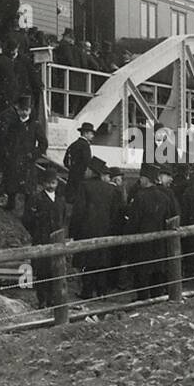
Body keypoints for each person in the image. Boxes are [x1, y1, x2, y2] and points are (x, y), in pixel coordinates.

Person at [70, 157, 118, 299]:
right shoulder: (111, 189)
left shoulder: (84, 187)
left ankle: (87, 291)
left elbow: (78, 212)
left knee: (87, 262)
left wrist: (74, 232)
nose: (85, 171)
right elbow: (115, 213)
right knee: (102, 262)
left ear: (92, 171)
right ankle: (102, 291)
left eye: (87, 169)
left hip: (87, 232)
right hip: (106, 231)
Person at [22, 164, 67, 310]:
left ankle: (53, 299)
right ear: (43, 183)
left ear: (57, 183)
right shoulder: (36, 199)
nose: (51, 186)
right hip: (41, 240)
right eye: (48, 183)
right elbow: (27, 219)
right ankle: (42, 299)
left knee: (55, 270)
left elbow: (64, 219)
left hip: (56, 241)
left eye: (53, 183)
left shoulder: (60, 200)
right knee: (42, 271)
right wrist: (37, 233)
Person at [126, 163, 173, 300]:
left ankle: (143, 298)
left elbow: (133, 222)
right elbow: (169, 219)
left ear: (146, 179)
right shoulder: (164, 197)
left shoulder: (140, 197)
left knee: (142, 271)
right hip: (159, 241)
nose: (140, 180)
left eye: (141, 178)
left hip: (142, 242)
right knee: (157, 270)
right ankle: (157, 296)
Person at [0, 94, 46, 212]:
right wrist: (7, 152)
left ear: (30, 110)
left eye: (26, 110)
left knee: (28, 188)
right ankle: (10, 204)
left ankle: (27, 212)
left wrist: (34, 154)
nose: (24, 112)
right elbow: (5, 139)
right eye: (22, 110)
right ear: (18, 110)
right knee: (11, 183)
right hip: (14, 158)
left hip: (27, 160)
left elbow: (43, 144)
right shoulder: (13, 123)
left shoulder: (35, 125)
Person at [63, 122, 95, 202]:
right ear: (85, 133)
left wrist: (73, 169)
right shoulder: (85, 146)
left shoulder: (73, 145)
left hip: (72, 176)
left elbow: (65, 161)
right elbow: (87, 161)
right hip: (81, 178)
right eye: (91, 134)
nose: (92, 136)